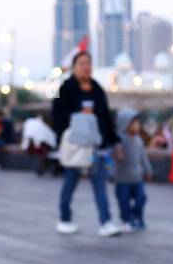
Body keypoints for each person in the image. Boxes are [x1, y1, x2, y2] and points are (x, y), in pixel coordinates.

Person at [50, 51, 126, 236]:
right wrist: (78, 119)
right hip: (76, 145)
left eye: (89, 63)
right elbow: (56, 115)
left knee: (99, 183)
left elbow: (106, 118)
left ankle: (106, 222)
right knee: (70, 181)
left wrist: (115, 143)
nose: (86, 67)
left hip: (96, 146)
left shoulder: (97, 89)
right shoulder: (65, 88)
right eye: (82, 63)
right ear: (74, 67)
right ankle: (64, 218)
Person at [113, 110, 152, 229]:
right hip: (122, 179)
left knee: (141, 198)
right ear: (125, 124)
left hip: (137, 177)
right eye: (134, 123)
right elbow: (113, 152)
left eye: (137, 123)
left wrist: (148, 170)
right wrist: (116, 153)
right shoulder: (118, 140)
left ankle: (137, 218)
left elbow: (143, 157)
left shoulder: (138, 140)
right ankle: (126, 220)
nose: (137, 125)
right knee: (124, 202)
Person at [20, 110, 57, 176]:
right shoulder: (41, 126)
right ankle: (41, 169)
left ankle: (41, 169)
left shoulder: (39, 125)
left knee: (41, 157)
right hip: (40, 146)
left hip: (40, 146)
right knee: (41, 157)